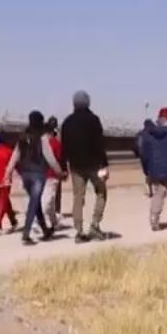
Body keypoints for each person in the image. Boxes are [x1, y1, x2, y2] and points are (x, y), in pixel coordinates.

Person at [6, 110, 63, 246]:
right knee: (33, 203)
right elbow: (50, 158)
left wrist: (8, 172)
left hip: (24, 174)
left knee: (35, 202)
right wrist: (59, 172)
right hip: (38, 174)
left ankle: (45, 230)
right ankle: (26, 234)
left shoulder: (23, 136)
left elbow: (15, 155)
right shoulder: (42, 138)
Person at [61, 90, 111, 243]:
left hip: (76, 165)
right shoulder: (93, 120)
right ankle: (95, 225)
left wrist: (64, 165)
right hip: (94, 164)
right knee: (101, 192)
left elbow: (64, 146)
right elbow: (99, 143)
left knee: (78, 197)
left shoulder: (67, 122)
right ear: (88, 103)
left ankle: (79, 231)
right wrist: (104, 163)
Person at [0, 131, 19, 234]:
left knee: (4, 200)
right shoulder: (9, 151)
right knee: (3, 201)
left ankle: (13, 221)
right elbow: (15, 165)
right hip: (6, 179)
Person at [43, 116, 66, 231]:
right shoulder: (55, 138)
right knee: (52, 194)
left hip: (52, 171)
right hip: (52, 171)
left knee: (53, 194)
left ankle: (55, 214)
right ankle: (54, 215)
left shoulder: (54, 138)